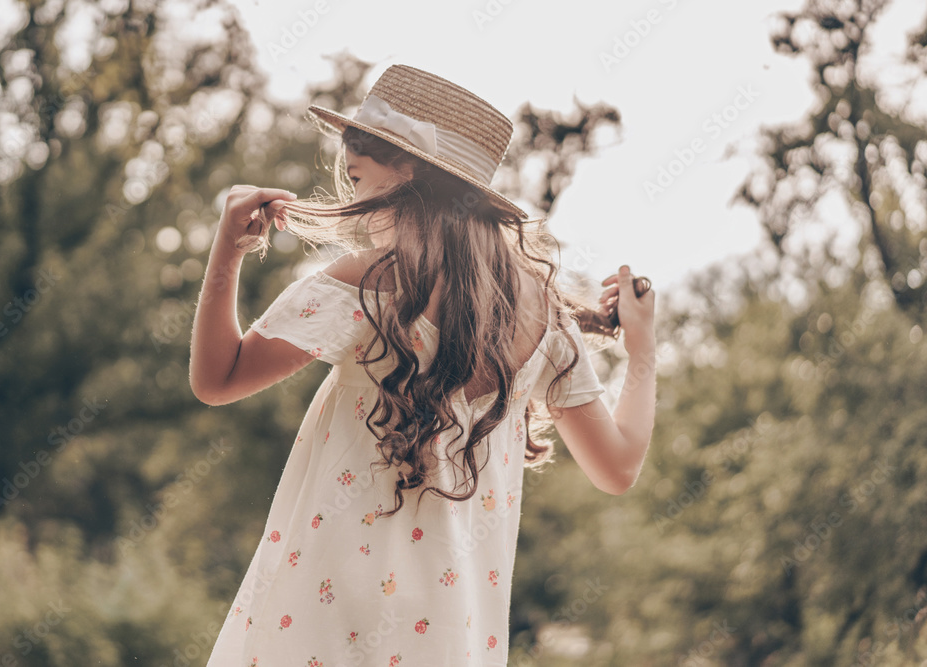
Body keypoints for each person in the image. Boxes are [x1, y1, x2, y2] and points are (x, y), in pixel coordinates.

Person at [190, 64, 656, 667]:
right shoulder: (547, 317)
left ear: (407, 169)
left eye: (356, 175)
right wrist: (642, 354)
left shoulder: (368, 284)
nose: (351, 193)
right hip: (449, 633)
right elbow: (617, 469)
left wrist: (228, 250)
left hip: (325, 615)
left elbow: (217, 379)